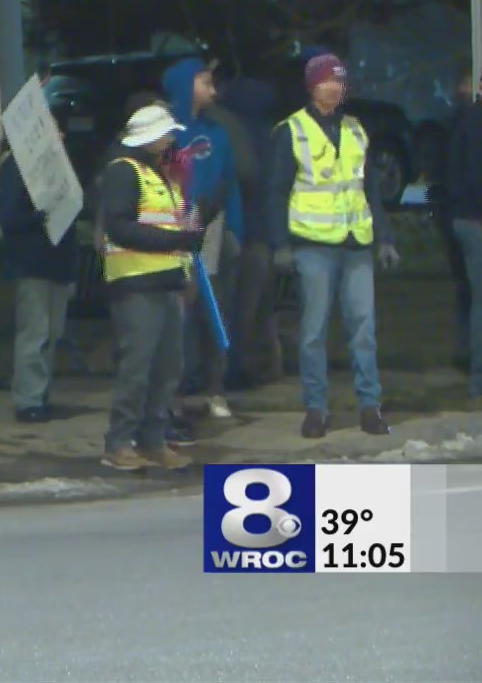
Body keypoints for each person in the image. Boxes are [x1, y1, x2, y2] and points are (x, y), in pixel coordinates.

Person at [266, 53, 398, 438]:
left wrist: (385, 237)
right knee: (313, 331)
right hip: (312, 244)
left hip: (357, 242)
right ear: (312, 86)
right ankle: (316, 409)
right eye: (327, 80)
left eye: (340, 81)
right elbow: (276, 192)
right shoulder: (291, 130)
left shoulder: (356, 129)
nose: (335, 87)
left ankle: (370, 406)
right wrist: (280, 244)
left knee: (364, 329)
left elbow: (369, 189)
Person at [97, 105, 202, 472]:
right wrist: (176, 240)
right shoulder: (124, 172)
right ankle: (119, 442)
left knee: (166, 368)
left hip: (166, 281)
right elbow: (120, 227)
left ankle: (152, 440)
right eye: (166, 133)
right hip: (137, 283)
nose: (171, 139)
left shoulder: (157, 173)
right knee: (138, 367)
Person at [162, 57, 245, 420]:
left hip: (212, 228)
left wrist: (235, 229)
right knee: (178, 313)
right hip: (174, 230)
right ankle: (175, 391)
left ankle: (215, 387)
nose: (213, 90)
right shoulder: (166, 134)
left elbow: (231, 183)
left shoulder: (218, 133)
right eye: (205, 82)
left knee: (214, 309)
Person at [0, 132, 81, 423]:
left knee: (51, 332)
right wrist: (40, 213)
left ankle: (40, 394)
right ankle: (29, 399)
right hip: (32, 261)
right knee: (35, 332)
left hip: (57, 260)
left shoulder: (57, 164)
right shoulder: (16, 166)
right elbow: (9, 216)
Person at [219, 76, 284, 386]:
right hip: (265, 233)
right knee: (262, 308)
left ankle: (237, 367)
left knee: (239, 306)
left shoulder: (231, 133)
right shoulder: (272, 135)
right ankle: (269, 365)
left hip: (244, 231)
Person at [442, 76, 482, 403]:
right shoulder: (475, 122)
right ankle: (478, 381)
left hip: (465, 217)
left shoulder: (465, 120)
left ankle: (476, 379)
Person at [433, 77, 476, 374]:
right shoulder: (468, 126)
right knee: (472, 292)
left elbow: (434, 180)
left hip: (453, 216)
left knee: (466, 291)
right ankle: (470, 356)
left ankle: (465, 351)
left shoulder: (445, 128)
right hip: (467, 215)